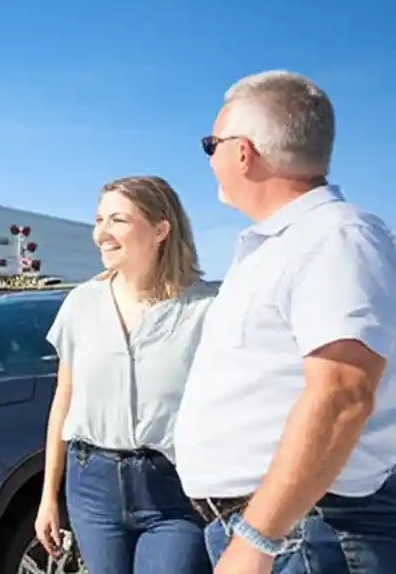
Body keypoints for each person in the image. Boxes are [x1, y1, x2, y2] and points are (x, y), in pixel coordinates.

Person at [174, 70, 396, 574]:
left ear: (244, 152)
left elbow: (342, 394)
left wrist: (256, 538)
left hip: (306, 534)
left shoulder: (335, 237)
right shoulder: (290, 245)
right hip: (286, 530)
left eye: (212, 144)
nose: (210, 159)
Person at [35, 175, 216, 574]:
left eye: (117, 219)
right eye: (99, 220)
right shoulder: (81, 304)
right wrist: (49, 495)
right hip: (92, 486)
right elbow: (63, 401)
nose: (102, 233)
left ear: (160, 229)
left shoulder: (206, 309)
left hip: (174, 490)